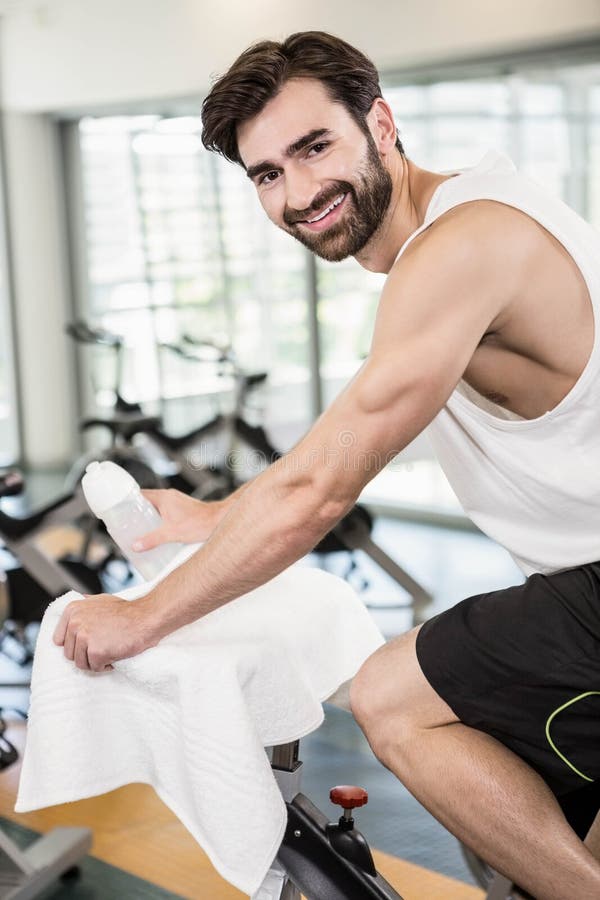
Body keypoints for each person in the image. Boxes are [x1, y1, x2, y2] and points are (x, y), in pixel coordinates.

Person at [53, 31, 600, 899]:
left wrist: (141, 617)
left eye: (315, 147)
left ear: (380, 124)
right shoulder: (471, 217)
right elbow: (337, 444)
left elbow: (320, 488)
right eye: (267, 173)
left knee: (392, 696)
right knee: (534, 835)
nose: (300, 192)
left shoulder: (461, 246)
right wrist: (211, 516)